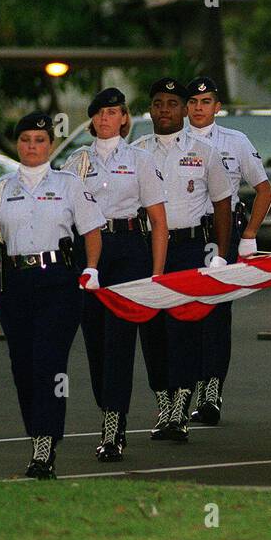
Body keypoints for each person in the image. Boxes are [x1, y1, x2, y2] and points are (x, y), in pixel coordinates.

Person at [0, 112, 104, 479]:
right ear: (16, 144)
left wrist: (92, 267)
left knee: (48, 363)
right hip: (17, 284)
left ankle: (45, 444)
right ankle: (36, 436)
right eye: (25, 140)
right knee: (23, 367)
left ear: (51, 145)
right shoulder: (0, 189)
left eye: (39, 140)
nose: (32, 147)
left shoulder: (70, 183)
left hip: (58, 282)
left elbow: (91, 230)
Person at [63, 87, 169, 462]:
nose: (106, 119)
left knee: (120, 339)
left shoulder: (140, 159)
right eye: (100, 114)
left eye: (113, 113)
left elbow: (158, 220)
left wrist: (156, 274)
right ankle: (108, 409)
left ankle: (113, 426)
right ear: (92, 120)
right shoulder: (77, 162)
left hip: (128, 249)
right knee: (94, 338)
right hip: (89, 251)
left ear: (125, 118)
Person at [130, 78, 233, 442]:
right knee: (152, 328)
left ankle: (180, 409)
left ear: (184, 109)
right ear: (150, 109)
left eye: (172, 104)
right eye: (158, 103)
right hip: (148, 247)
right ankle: (164, 402)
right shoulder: (137, 151)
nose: (165, 110)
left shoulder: (204, 151)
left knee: (183, 329)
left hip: (190, 247)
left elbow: (223, 205)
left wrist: (221, 253)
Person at [184, 75, 271, 425]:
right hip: (184, 234)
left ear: (217, 107)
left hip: (220, 232)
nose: (199, 108)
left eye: (206, 102)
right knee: (184, 310)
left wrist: (250, 232)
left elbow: (264, 190)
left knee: (216, 312)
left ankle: (211, 391)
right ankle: (183, 390)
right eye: (193, 102)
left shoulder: (235, 141)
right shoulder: (175, 141)